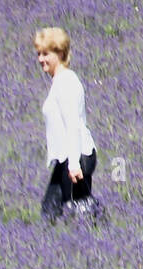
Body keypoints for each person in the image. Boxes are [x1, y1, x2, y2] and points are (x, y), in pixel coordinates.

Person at [35, 27, 100, 222]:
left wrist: (73, 164)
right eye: (38, 54)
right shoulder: (60, 81)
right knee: (61, 210)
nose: (40, 59)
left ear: (61, 53)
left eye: (46, 54)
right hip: (70, 157)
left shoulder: (66, 82)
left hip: (76, 157)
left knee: (61, 210)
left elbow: (72, 125)